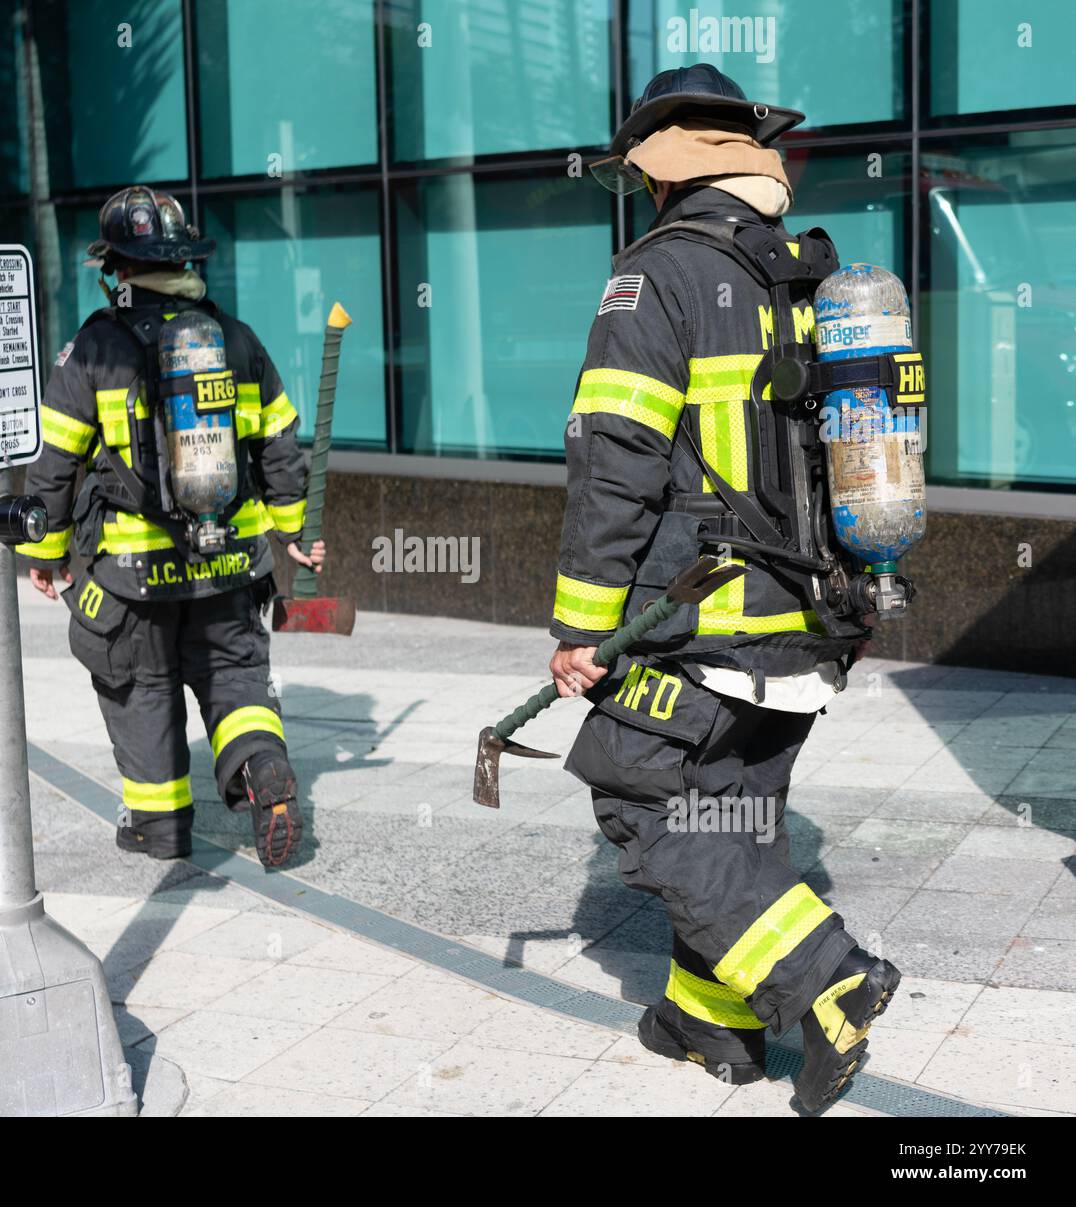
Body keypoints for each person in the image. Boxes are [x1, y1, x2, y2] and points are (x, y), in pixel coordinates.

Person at [548, 65, 900, 1112]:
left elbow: (615, 460)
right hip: (808, 621)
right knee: (729, 822)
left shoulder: (655, 277)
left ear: (662, 173)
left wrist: (581, 624)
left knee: (645, 804)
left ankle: (827, 978)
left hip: (698, 623)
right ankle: (709, 1022)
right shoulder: (802, 275)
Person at [19, 185, 322, 868]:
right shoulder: (236, 340)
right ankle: (262, 768)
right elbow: (280, 447)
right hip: (230, 564)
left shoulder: (94, 348)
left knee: (141, 690)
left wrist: (45, 551)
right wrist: (293, 531)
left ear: (118, 269)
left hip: (134, 579)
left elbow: (55, 461)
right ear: (186, 261)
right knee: (237, 682)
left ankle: (159, 829)